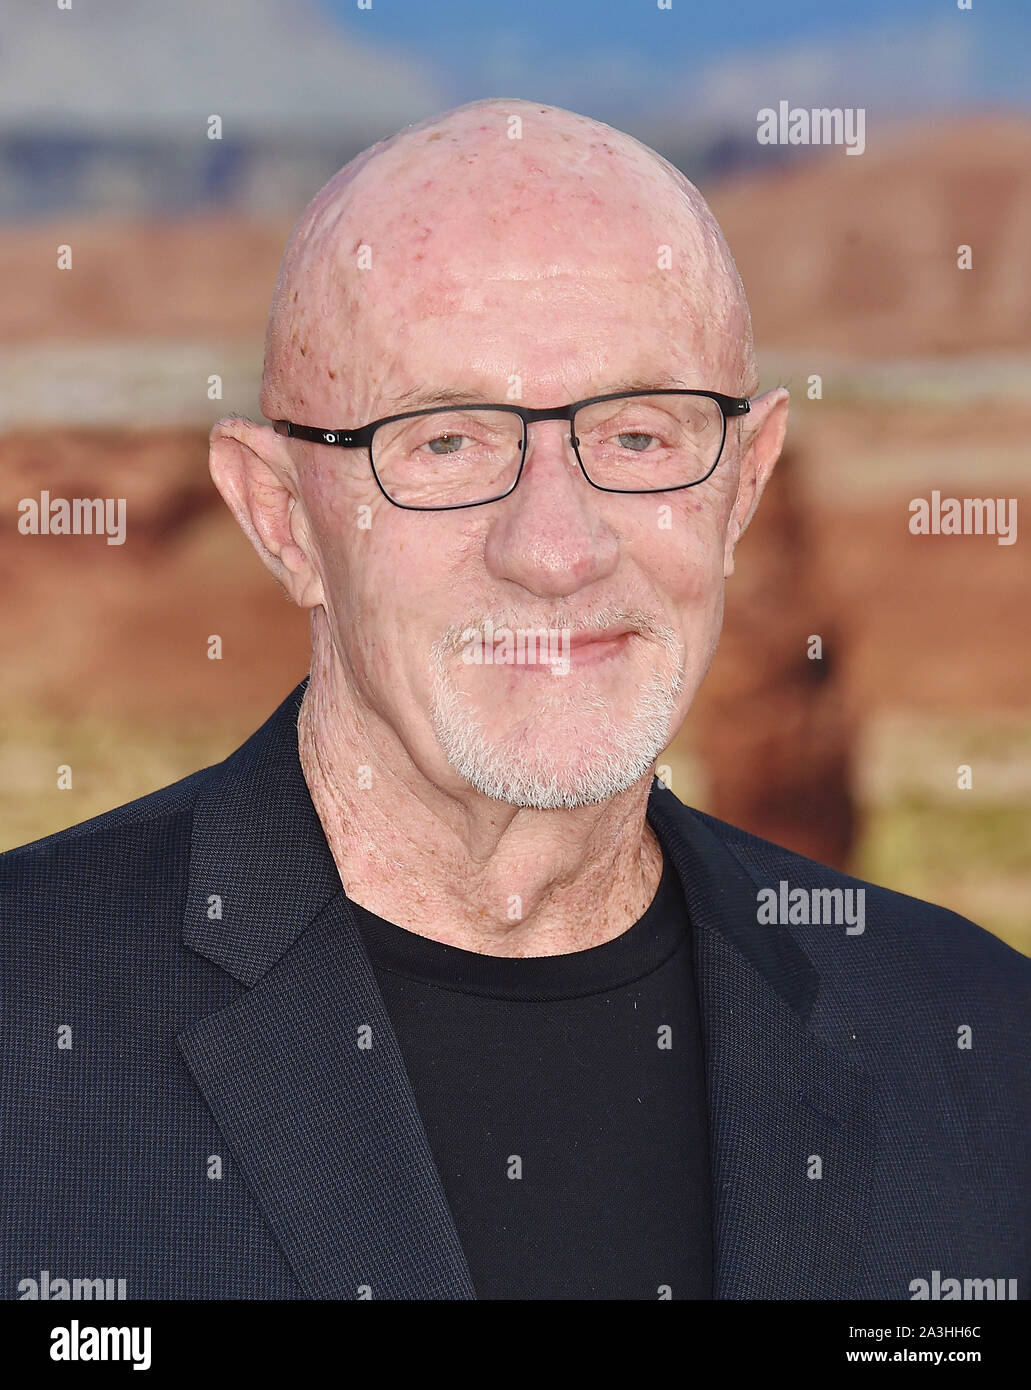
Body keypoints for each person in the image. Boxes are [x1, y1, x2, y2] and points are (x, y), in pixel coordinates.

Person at [2, 99, 1027, 1302]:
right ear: (280, 517)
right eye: (443, 443)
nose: (553, 548)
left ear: (742, 485)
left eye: (640, 435)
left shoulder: (975, 1050)